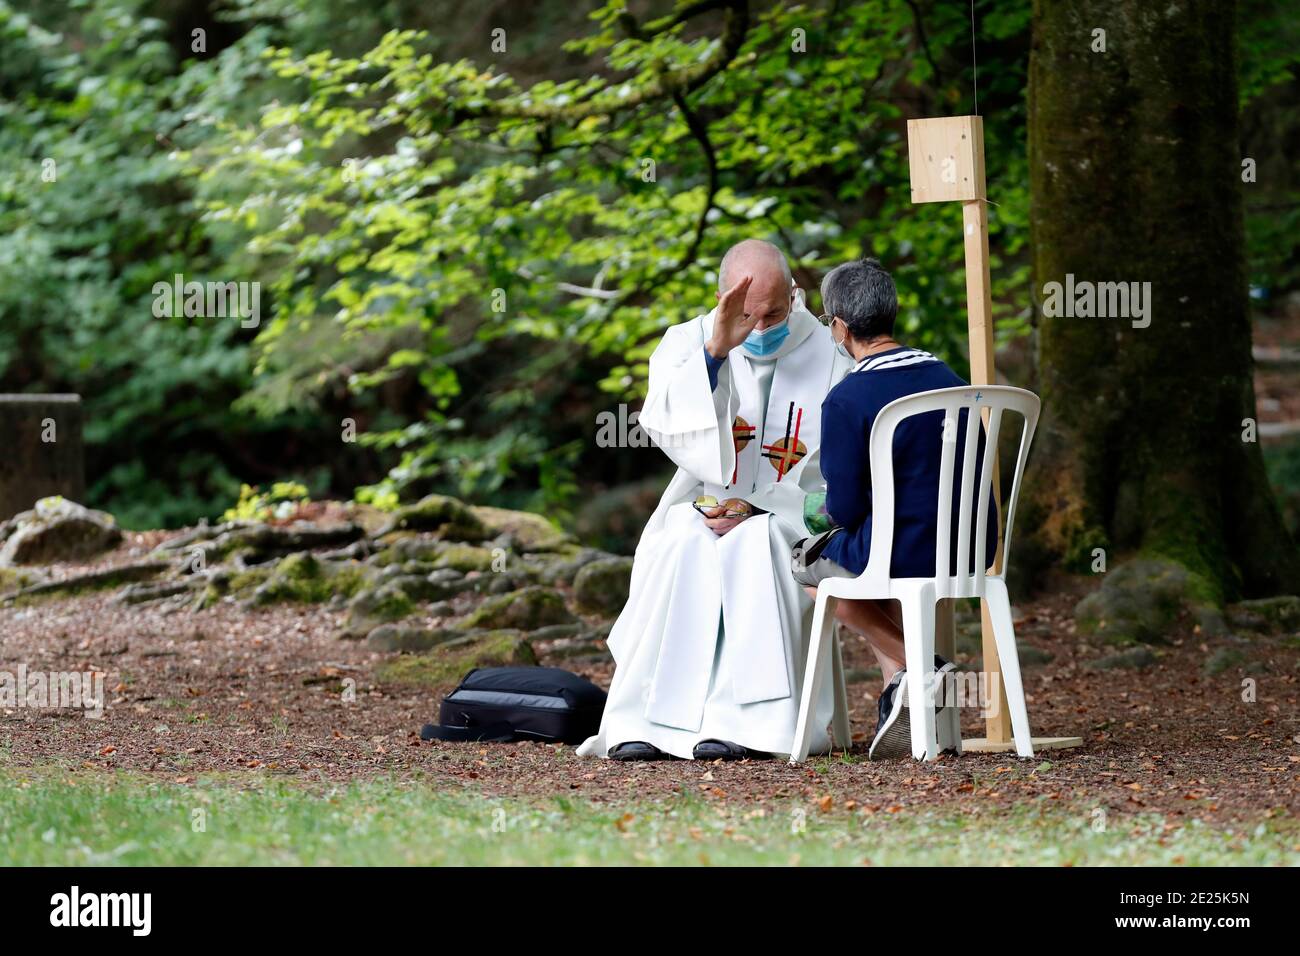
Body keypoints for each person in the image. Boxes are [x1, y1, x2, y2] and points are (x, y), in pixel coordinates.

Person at [576, 240, 855, 761]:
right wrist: (715, 355)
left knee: (760, 542)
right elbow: (669, 422)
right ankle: (649, 721)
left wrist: (760, 505)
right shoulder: (689, 341)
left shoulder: (833, 353)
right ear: (723, 297)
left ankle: (751, 724)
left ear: (795, 294)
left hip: (790, 516)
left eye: (775, 311)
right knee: (680, 539)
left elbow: (835, 464)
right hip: (705, 504)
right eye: (749, 314)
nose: (763, 326)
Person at [791, 258, 997, 759]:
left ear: (839, 328)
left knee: (813, 568)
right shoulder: (947, 375)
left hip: (902, 550)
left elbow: (842, 506)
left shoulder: (849, 397)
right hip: (970, 547)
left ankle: (920, 664)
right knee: (864, 556)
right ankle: (898, 691)